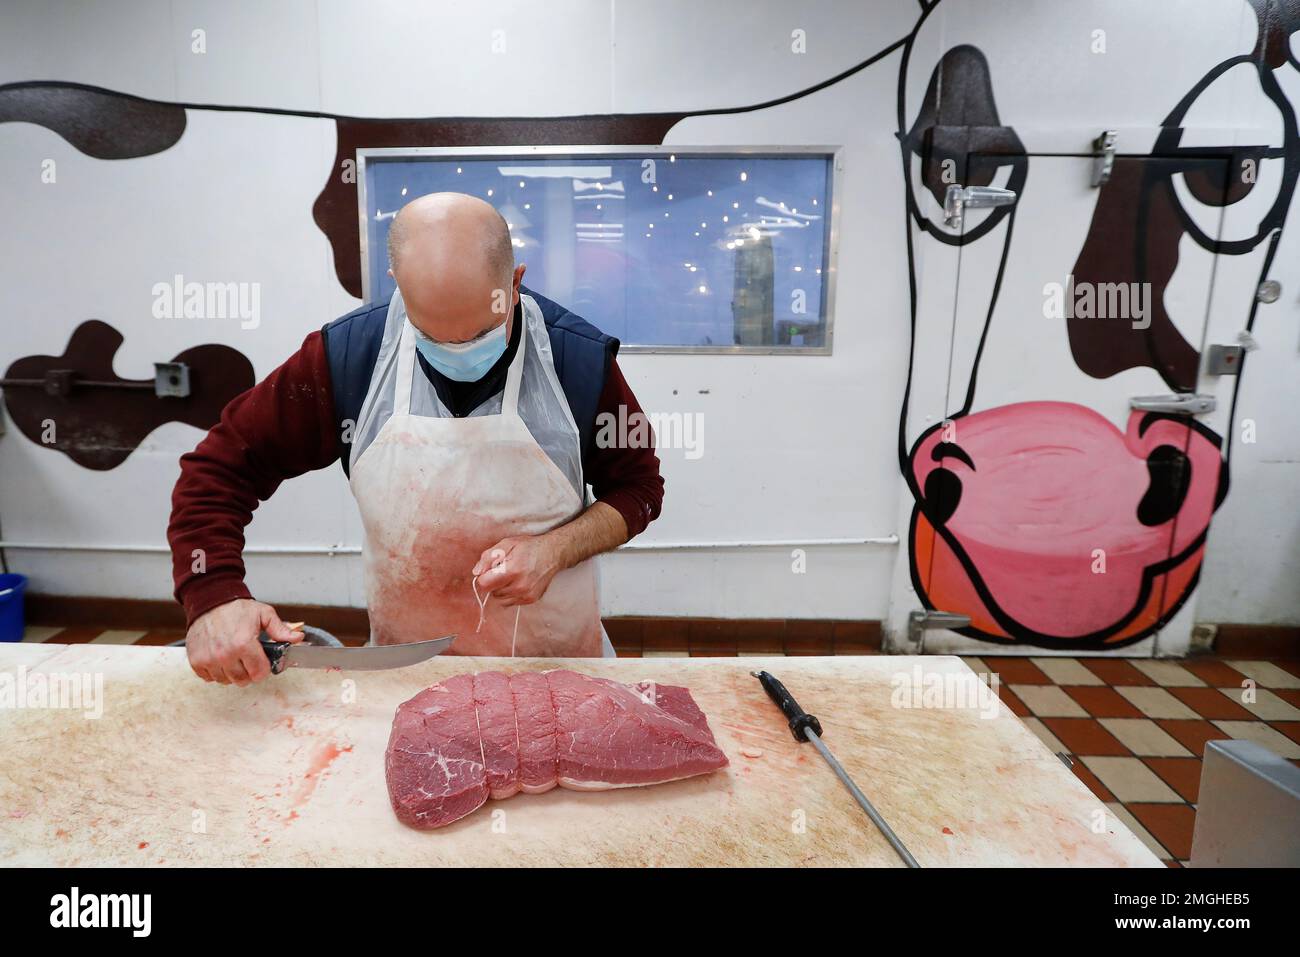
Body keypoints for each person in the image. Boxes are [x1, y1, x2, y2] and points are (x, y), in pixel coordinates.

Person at [168, 192, 663, 685]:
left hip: (556, 667)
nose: (457, 355)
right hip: (407, 671)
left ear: (514, 282)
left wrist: (554, 550)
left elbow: (639, 490)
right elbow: (221, 467)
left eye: (478, 335)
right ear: (398, 286)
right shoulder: (346, 359)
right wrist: (212, 592)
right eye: (432, 335)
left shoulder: (577, 361)